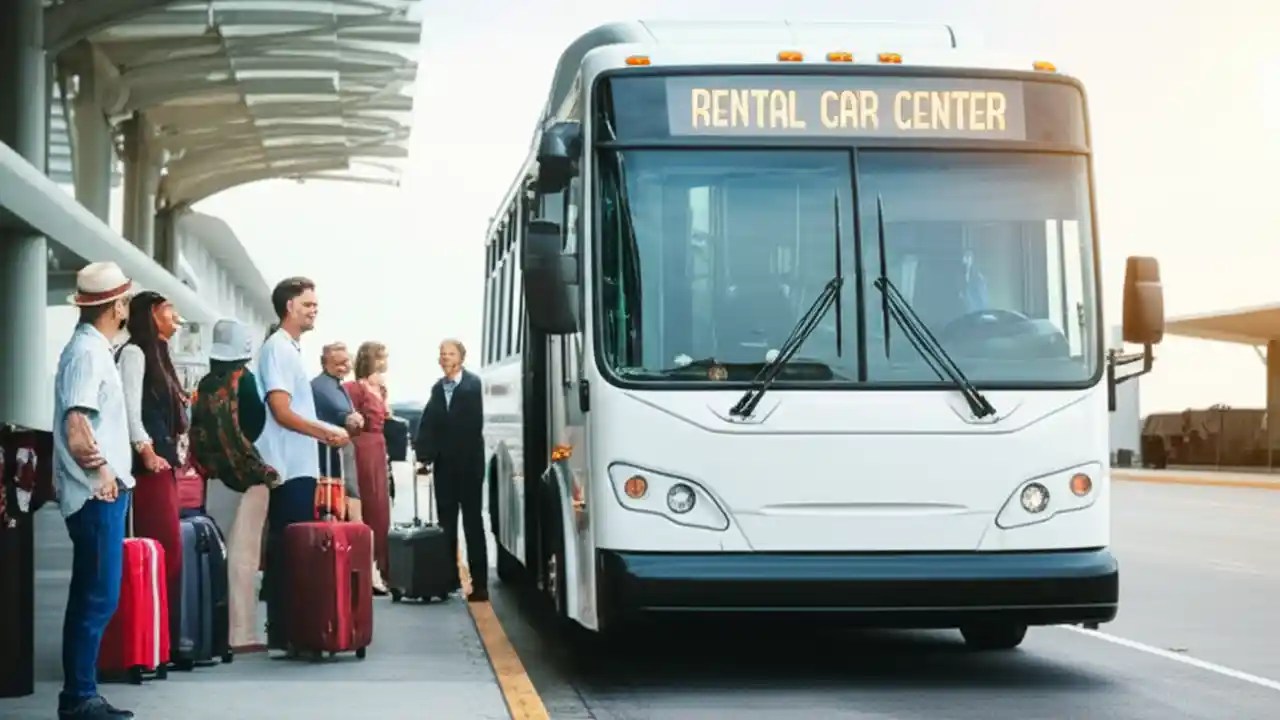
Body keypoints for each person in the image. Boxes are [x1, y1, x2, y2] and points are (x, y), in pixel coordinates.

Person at [52, 261, 137, 719]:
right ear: (117, 306)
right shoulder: (88, 353)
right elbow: (78, 425)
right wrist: (103, 472)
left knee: (93, 592)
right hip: (94, 493)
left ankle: (80, 695)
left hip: (94, 492)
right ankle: (79, 697)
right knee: (97, 594)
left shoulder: (89, 347)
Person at [255, 277, 349, 653]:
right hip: (287, 465)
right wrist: (325, 431)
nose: (314, 310)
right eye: (308, 304)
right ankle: (285, 630)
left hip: (298, 464)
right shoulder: (278, 349)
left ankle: (290, 627)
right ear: (289, 307)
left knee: (291, 546)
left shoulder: (290, 349)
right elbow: (280, 410)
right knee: (288, 547)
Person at [188, 318, 276, 655]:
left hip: (214, 477)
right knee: (244, 556)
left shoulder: (206, 384)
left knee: (217, 551)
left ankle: (211, 629)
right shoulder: (247, 381)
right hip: (248, 478)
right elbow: (255, 424)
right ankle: (241, 634)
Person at [116, 290, 187, 649]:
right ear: (152, 314)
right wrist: (145, 450)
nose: (176, 316)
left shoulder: (160, 354)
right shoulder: (133, 353)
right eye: (169, 309)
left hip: (164, 462)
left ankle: (164, 635)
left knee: (169, 548)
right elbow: (130, 407)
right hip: (149, 466)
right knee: (162, 546)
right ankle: (156, 637)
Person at [414, 339, 487, 602]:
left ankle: (480, 584)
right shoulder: (437, 388)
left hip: (469, 465)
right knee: (447, 524)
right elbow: (429, 422)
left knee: (472, 522)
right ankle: (447, 580)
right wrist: (424, 456)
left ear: (461, 358)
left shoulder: (474, 386)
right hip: (445, 466)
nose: (445, 358)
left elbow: (472, 426)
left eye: (450, 353)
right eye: (442, 354)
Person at [345, 342, 392, 595]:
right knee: (369, 505)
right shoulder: (355, 388)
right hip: (363, 449)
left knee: (381, 508)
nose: (384, 363)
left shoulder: (380, 388)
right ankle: (367, 567)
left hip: (377, 448)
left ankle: (378, 566)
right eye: (381, 358)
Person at [309, 342, 364, 525]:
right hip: (331, 454)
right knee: (343, 497)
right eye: (338, 363)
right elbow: (344, 415)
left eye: (346, 362)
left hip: (340, 451)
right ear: (325, 363)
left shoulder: (335, 384)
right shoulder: (322, 386)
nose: (344, 367)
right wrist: (352, 417)